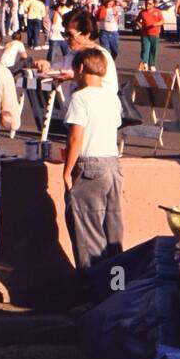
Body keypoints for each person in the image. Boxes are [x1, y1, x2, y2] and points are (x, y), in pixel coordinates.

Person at [63, 47, 124, 272]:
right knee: (112, 230)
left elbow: (76, 138)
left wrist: (67, 171)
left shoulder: (79, 98)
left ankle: (91, 294)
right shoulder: (113, 98)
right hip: (113, 165)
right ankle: (115, 289)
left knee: (87, 233)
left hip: (90, 167)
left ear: (80, 68)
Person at [137, 0, 164, 71]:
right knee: (145, 49)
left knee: (153, 49)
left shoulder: (157, 12)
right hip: (145, 34)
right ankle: (144, 63)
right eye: (146, 3)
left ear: (154, 4)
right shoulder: (142, 12)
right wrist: (140, 26)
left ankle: (152, 64)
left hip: (155, 34)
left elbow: (162, 21)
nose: (147, 5)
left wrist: (156, 24)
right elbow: (137, 20)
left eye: (149, 4)